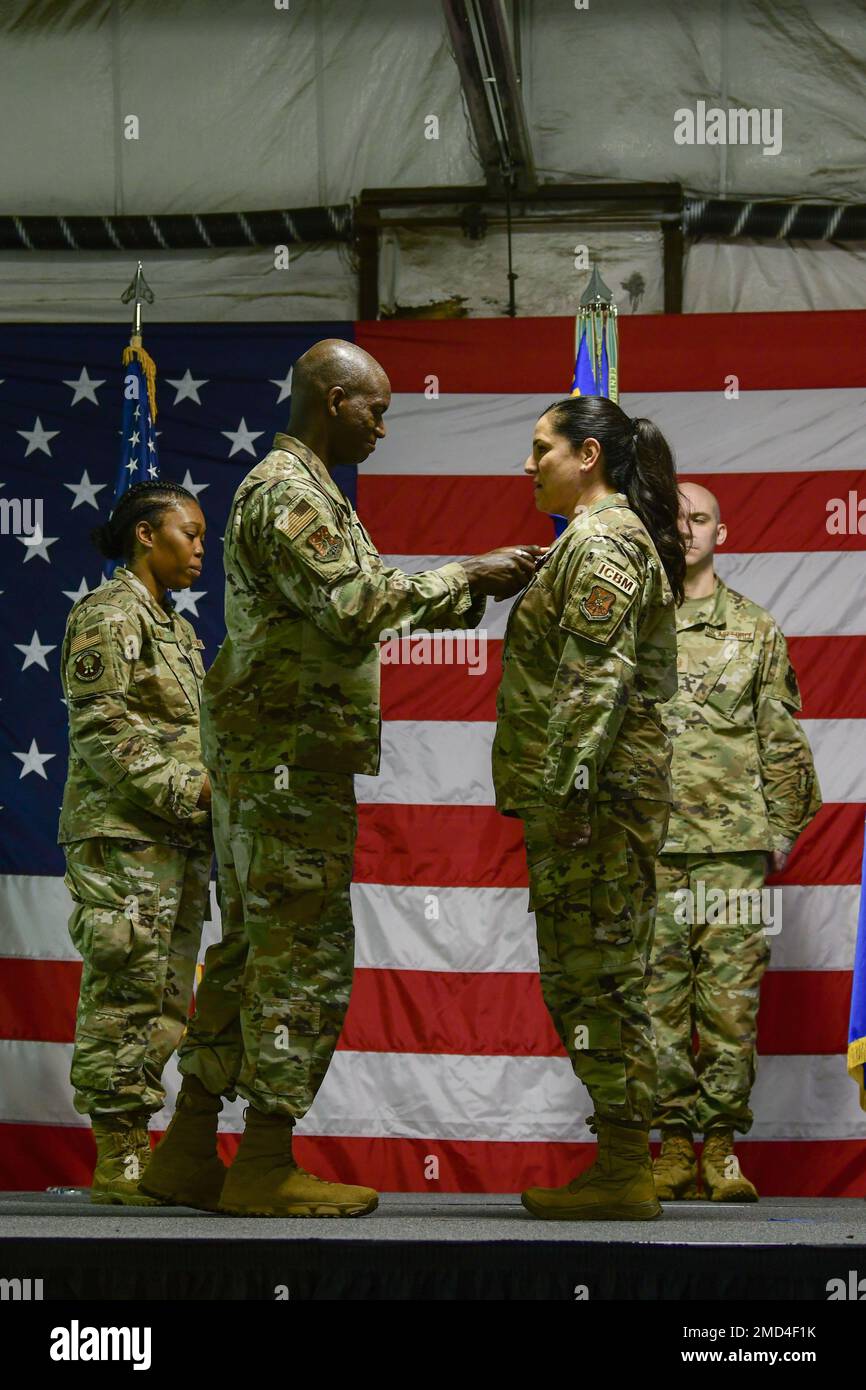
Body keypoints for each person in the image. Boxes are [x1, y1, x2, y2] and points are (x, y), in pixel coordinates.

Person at [141, 337, 542, 1217]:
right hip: (287, 764)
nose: (384, 429)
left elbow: (348, 598)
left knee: (249, 954)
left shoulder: (304, 489)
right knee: (302, 957)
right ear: (332, 399)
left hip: (274, 758)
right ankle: (264, 1163)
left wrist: (468, 588)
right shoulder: (290, 493)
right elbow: (357, 605)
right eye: (377, 410)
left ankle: (185, 1151)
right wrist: (467, 572)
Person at [491, 394, 686, 1221]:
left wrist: (566, 798)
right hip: (589, 802)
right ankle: (620, 1161)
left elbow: (592, 686)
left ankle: (622, 1169)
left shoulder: (605, 544)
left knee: (598, 981)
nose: (528, 464)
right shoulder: (586, 543)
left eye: (542, 449)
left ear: (589, 457)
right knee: (585, 980)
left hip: (595, 805)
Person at [647, 481, 821, 1202]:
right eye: (676, 518)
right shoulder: (632, 626)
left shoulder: (755, 629)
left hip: (732, 855)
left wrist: (774, 832)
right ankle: (672, 1149)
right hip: (649, 851)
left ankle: (719, 1148)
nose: (686, 528)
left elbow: (781, 742)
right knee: (653, 1007)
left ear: (722, 531)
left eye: (700, 518)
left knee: (730, 1005)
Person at [58, 479, 212, 1205]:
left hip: (175, 839)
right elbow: (102, 730)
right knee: (126, 985)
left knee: (165, 993)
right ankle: (119, 1153)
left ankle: (143, 1148)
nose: (201, 550)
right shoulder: (108, 615)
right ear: (146, 535)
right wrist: (194, 793)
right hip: (125, 837)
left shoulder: (177, 631)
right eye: (191, 534)